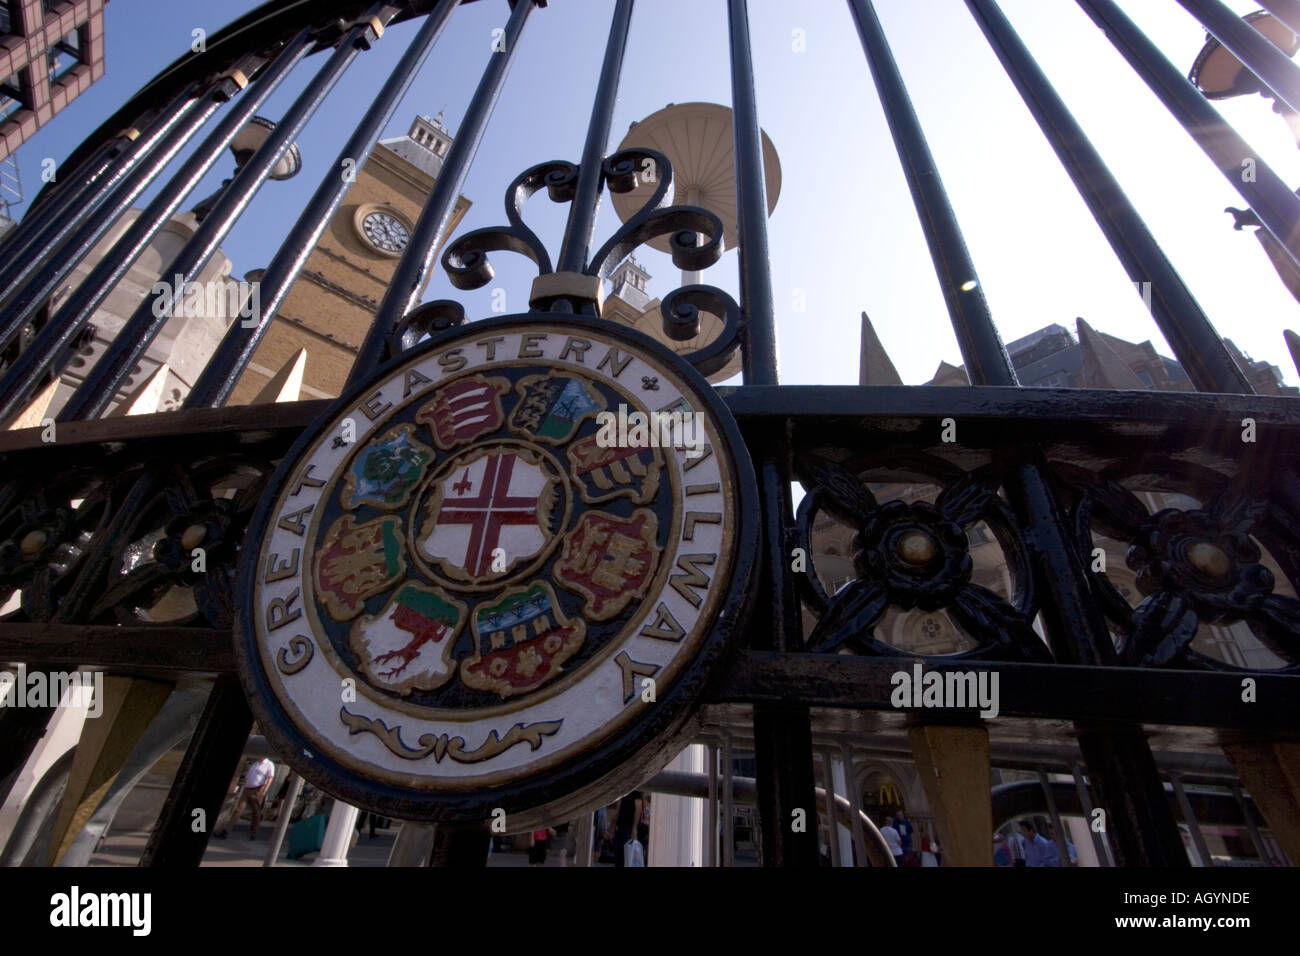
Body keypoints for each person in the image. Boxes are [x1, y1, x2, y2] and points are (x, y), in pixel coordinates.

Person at [227, 757, 276, 840]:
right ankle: (226, 830)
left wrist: (264, 790)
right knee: (238, 809)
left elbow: (270, 778)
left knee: (256, 812)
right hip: (247, 788)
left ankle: (253, 833)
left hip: (257, 789)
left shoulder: (269, 764)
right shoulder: (255, 763)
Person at [613, 790, 644, 868]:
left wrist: (634, 828)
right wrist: (612, 826)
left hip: (629, 828)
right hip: (620, 826)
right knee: (619, 855)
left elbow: (638, 809)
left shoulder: (637, 791)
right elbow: (618, 809)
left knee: (627, 856)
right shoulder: (624, 790)